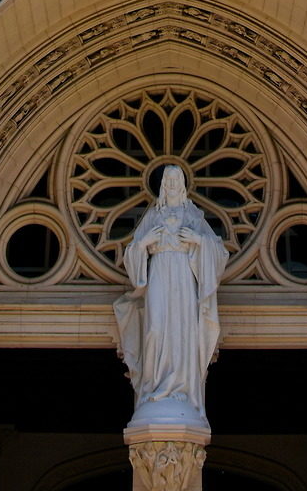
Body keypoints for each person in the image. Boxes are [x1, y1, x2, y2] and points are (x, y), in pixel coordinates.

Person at [114, 165, 227, 425]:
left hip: (185, 278)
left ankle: (182, 390)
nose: (173, 183)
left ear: (183, 183)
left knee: (182, 331)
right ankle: (154, 388)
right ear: (163, 184)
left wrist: (199, 241)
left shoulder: (194, 215)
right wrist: (143, 244)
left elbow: (219, 254)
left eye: (177, 179)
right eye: (169, 179)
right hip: (159, 276)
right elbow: (132, 252)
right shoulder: (154, 216)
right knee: (155, 329)